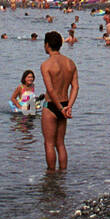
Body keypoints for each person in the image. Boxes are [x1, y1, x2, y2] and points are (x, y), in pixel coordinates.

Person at [40, 31, 78, 170]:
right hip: (65, 103)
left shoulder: (46, 65)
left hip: (51, 105)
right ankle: (63, 174)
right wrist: (68, 106)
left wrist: (60, 108)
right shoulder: (70, 63)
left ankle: (51, 176)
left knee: (49, 144)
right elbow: (75, 87)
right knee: (60, 143)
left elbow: (50, 90)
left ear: (47, 45)